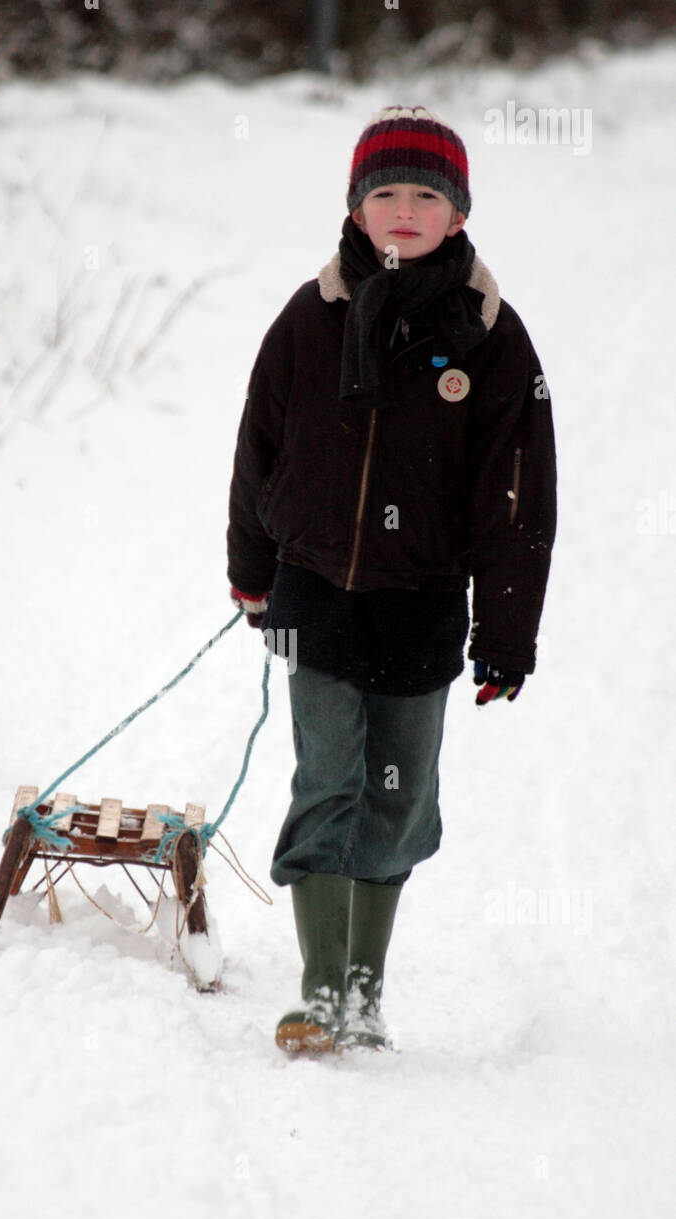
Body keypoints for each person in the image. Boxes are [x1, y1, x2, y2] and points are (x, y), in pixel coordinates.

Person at [226, 106, 557, 1055]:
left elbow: (518, 499)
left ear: (458, 214)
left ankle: (365, 993)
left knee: (398, 796)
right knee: (325, 781)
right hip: (313, 593)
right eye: (385, 194)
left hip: (421, 605)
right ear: (356, 209)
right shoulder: (311, 316)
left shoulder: (493, 337)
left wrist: (504, 633)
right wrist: (252, 573)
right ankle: (320, 995)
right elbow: (259, 447)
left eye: (426, 195)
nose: (404, 211)